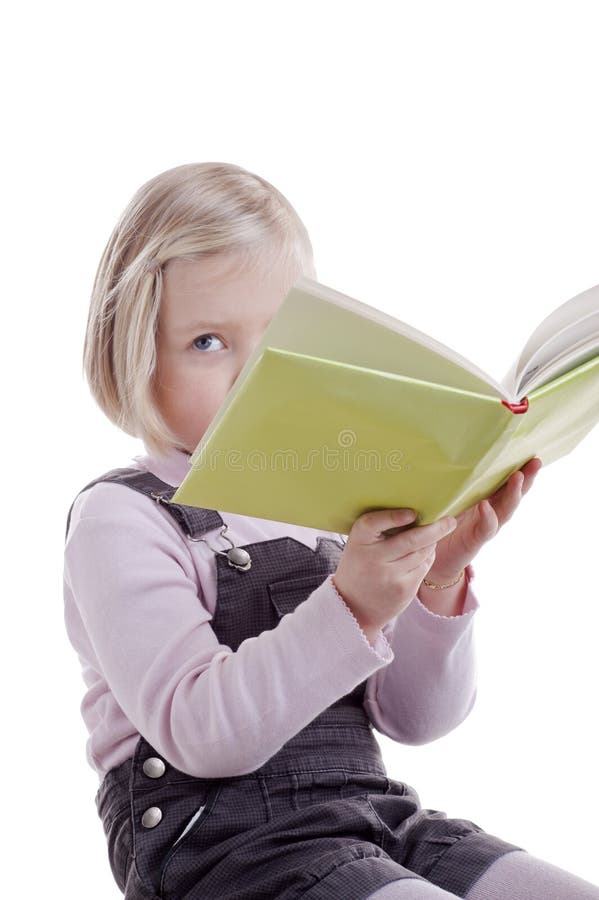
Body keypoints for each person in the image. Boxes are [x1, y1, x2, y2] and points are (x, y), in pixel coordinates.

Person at [63, 161, 598, 899]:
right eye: (208, 342)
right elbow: (202, 734)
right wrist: (353, 604)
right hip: (225, 847)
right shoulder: (122, 517)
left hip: (370, 819)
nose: (250, 376)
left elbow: (415, 719)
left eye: (279, 342)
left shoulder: (327, 499)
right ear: (136, 351)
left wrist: (435, 576)